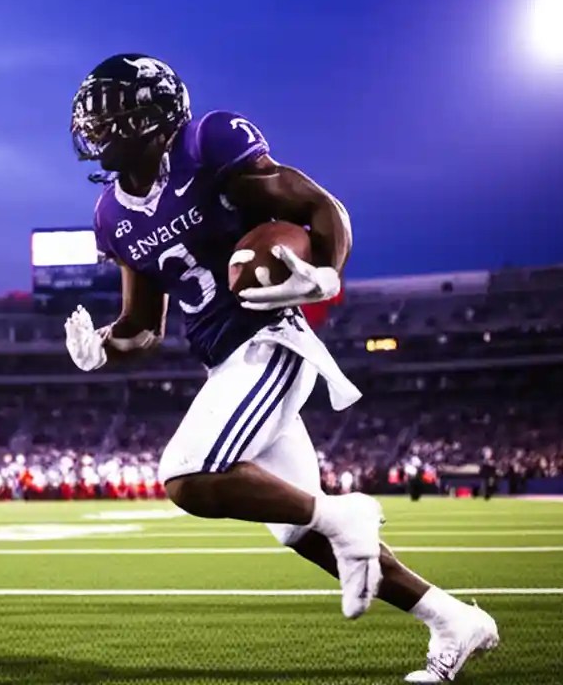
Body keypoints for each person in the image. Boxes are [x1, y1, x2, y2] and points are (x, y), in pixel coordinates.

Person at [63, 54, 497, 682]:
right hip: (223, 359)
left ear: (157, 117)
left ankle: (343, 513)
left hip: (270, 338)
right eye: (96, 115)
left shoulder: (207, 144)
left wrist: (327, 274)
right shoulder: (111, 216)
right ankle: (453, 619)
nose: (102, 128)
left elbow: (321, 206)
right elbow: (143, 326)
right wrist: (103, 345)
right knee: (301, 531)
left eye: (118, 112)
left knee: (188, 475)